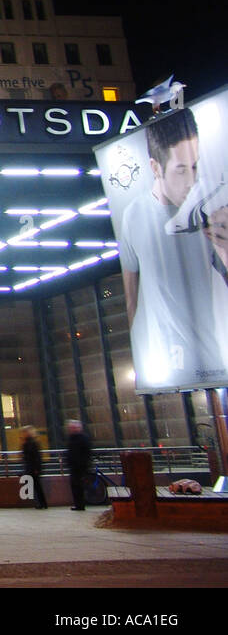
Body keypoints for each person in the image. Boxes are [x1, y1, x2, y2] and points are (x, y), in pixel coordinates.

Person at [119, 108, 228, 389]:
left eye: (195, 167)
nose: (191, 180)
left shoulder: (210, 213)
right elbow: (130, 297)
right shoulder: (133, 215)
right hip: (162, 361)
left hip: (213, 357)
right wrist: (137, 355)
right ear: (155, 168)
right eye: (181, 169)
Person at [64, 420, 92, 511]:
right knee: (75, 486)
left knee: (78, 486)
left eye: (73, 427)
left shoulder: (81, 438)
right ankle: (79, 504)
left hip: (79, 467)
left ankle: (80, 505)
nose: (71, 429)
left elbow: (86, 453)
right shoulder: (74, 438)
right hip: (75, 466)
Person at [21, 427, 48, 510]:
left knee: (36, 486)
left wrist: (36, 468)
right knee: (36, 486)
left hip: (32, 468)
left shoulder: (31, 443)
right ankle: (42, 503)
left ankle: (40, 503)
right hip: (32, 468)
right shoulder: (30, 442)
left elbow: (36, 457)